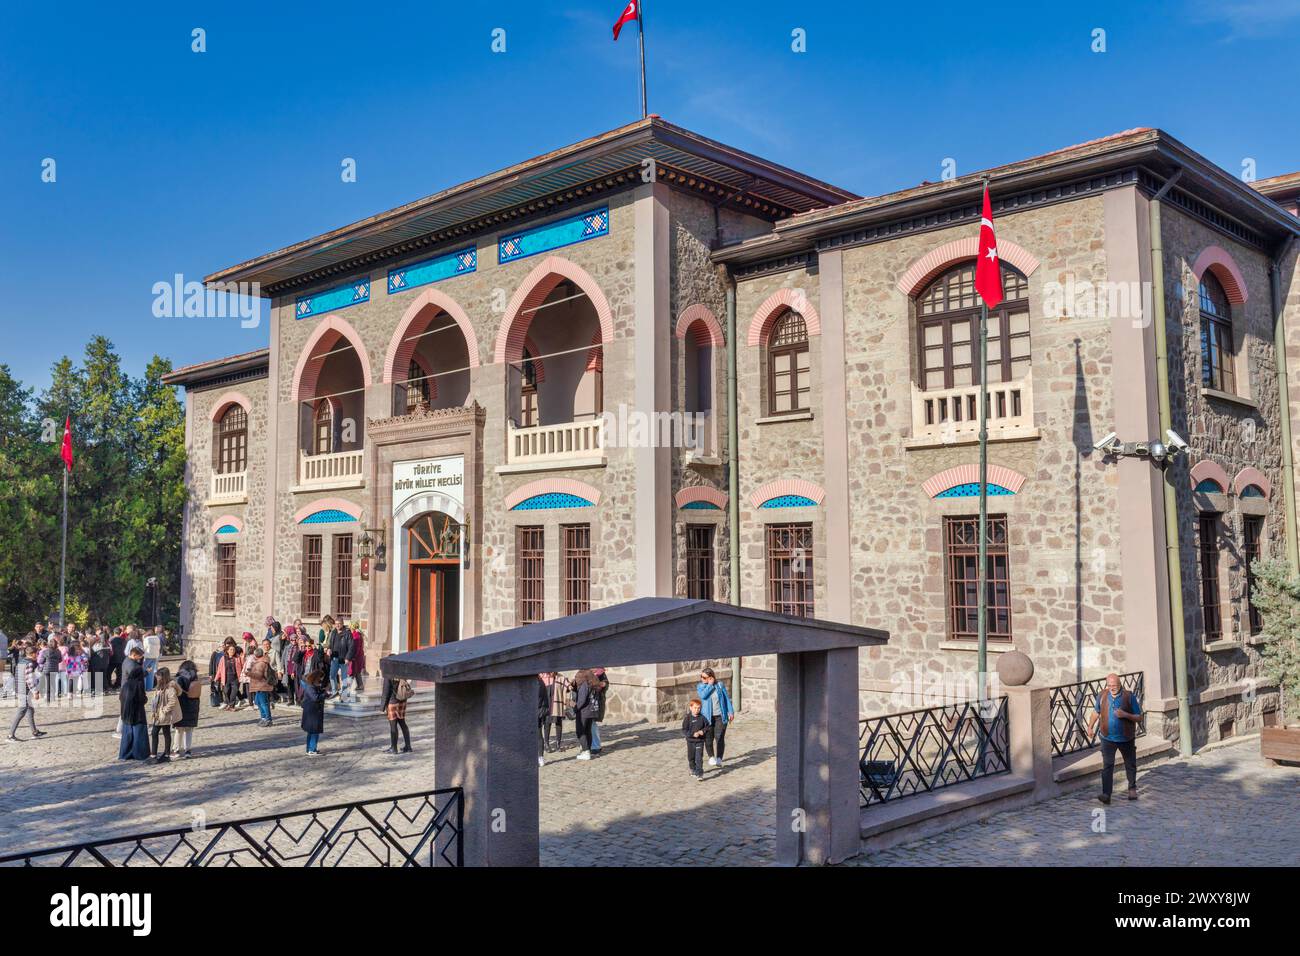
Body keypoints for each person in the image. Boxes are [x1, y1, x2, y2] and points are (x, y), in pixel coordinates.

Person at [1087, 672, 1143, 804]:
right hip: (1107, 737)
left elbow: (1139, 717)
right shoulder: (1102, 695)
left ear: (1120, 684)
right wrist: (1090, 726)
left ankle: (1132, 788)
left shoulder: (1129, 696)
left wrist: (1125, 714)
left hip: (1126, 737)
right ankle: (1106, 794)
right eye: (1109, 685)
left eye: (1114, 685)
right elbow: (1096, 712)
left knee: (1130, 764)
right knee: (1107, 765)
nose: (1112, 687)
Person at [6, 648, 47, 742]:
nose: (37, 655)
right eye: (36, 654)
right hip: (24, 690)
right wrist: (35, 691)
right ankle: (10, 735)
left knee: (30, 710)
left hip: (20, 689)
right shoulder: (29, 663)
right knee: (21, 711)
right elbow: (30, 679)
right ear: (32, 654)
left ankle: (34, 731)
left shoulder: (21, 661)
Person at [697, 667, 735, 767]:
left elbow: (726, 699)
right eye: (701, 677)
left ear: (711, 677)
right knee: (708, 738)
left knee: (719, 737)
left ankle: (719, 758)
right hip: (707, 718)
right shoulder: (701, 686)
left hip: (720, 716)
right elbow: (703, 696)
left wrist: (731, 712)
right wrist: (709, 685)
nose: (702, 679)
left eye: (705, 677)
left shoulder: (719, 685)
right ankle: (711, 757)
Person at [117, 659, 151, 761]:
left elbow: (121, 698)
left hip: (126, 713)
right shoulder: (138, 685)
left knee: (127, 735)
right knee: (138, 735)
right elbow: (142, 699)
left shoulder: (126, 685)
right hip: (137, 714)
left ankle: (125, 754)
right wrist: (145, 699)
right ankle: (139, 753)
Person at [149, 667, 181, 763]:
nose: (157, 677)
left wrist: (164, 710)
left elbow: (173, 701)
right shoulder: (161, 685)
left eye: (159, 676)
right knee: (166, 732)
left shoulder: (170, 687)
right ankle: (166, 754)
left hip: (163, 714)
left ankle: (154, 756)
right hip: (158, 713)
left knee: (155, 732)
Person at [571, 669, 602, 760]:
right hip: (592, 711)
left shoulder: (585, 685)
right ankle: (588, 750)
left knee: (580, 731)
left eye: (577, 677)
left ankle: (585, 751)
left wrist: (575, 709)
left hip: (584, 712)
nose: (576, 679)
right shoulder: (593, 684)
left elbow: (582, 700)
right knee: (588, 731)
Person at [173, 659, 201, 758]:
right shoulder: (195, 677)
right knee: (189, 730)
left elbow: (175, 692)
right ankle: (187, 750)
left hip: (181, 705)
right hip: (193, 705)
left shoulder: (179, 678)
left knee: (179, 729)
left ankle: (176, 750)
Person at [380, 676, 412, 754]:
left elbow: (386, 692)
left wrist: (382, 707)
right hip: (402, 701)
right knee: (402, 723)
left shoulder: (388, 674)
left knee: (393, 726)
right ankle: (408, 746)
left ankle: (394, 748)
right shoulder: (400, 671)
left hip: (392, 702)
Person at [299, 665, 325, 756]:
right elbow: (315, 698)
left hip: (313, 712)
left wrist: (322, 691)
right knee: (314, 732)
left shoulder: (311, 685)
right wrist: (324, 695)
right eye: (320, 678)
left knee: (312, 732)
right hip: (312, 713)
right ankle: (312, 750)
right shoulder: (310, 686)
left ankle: (310, 749)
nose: (321, 680)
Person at [540, 672, 569, 752]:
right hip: (546, 704)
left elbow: (568, 687)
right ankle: (546, 744)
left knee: (558, 722)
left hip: (557, 705)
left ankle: (558, 745)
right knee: (547, 723)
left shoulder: (560, 677)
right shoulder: (542, 677)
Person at [682, 698, 709, 781]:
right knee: (691, 757)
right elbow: (684, 730)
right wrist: (692, 734)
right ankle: (693, 769)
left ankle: (699, 774)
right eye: (695, 708)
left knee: (699, 758)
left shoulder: (702, 718)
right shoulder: (687, 718)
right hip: (690, 741)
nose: (697, 710)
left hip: (700, 742)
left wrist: (702, 731)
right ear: (690, 708)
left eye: (699, 708)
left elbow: (707, 727)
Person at [247, 647, 275, 726]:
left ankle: (268, 719)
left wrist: (248, 673)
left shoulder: (261, 663)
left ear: (255, 655)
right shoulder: (258, 662)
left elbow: (259, 676)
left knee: (264, 703)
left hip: (262, 686)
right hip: (259, 686)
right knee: (258, 702)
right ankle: (263, 718)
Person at [215, 640, 242, 711]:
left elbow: (242, 667)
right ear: (227, 650)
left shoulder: (237, 658)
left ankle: (231, 706)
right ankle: (229, 704)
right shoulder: (223, 658)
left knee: (234, 692)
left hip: (235, 678)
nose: (232, 651)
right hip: (226, 678)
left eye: (233, 649)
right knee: (226, 692)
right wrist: (216, 678)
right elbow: (219, 669)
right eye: (231, 649)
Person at [589, 667, 609, 753]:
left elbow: (606, 684)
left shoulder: (600, 673)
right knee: (587, 724)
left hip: (596, 702)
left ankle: (595, 746)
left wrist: (602, 684)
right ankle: (588, 745)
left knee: (592, 723)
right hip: (586, 701)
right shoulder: (585, 672)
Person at [142, 627, 162, 691]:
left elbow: (144, 648)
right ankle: (149, 687)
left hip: (147, 657)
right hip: (155, 656)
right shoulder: (157, 638)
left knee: (144, 672)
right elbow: (159, 647)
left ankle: (144, 687)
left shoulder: (146, 639)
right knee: (151, 672)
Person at [536, 675, 550, 768]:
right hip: (541, 712)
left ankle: (539, 757)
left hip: (535, 712)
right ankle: (540, 757)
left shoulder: (536, 683)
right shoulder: (541, 682)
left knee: (537, 735)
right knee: (539, 735)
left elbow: (537, 700)